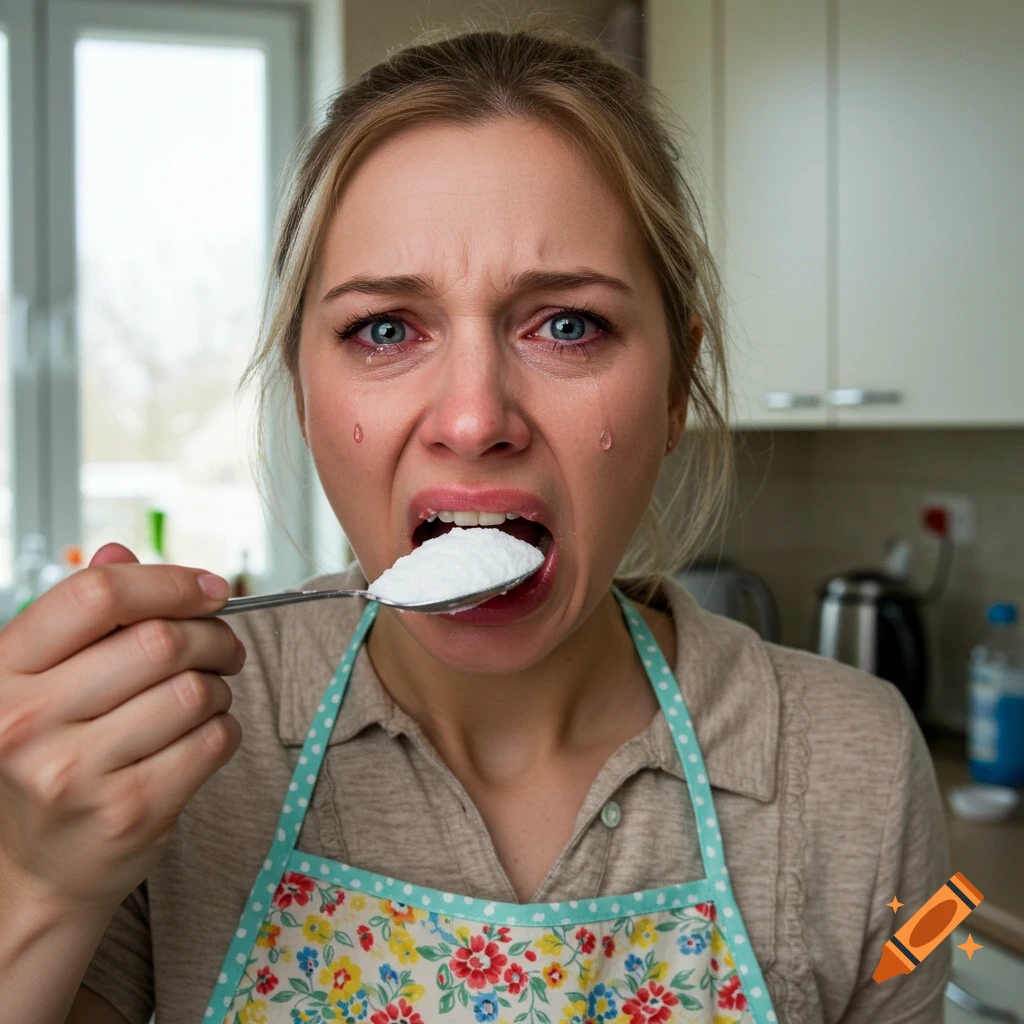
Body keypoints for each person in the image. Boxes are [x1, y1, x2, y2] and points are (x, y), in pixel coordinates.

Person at [0, 23, 950, 1024]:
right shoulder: (173, 752)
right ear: (303, 395)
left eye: (566, 324)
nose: (471, 418)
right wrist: (34, 882)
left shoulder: (857, 768)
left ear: (674, 388)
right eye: (384, 329)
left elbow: (943, 938)